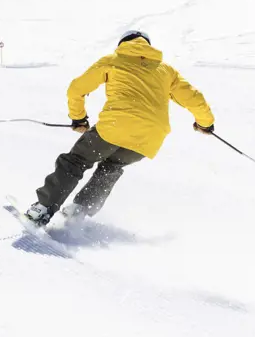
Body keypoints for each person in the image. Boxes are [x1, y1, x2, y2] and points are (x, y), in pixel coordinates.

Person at [24, 30, 214, 225]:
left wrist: (79, 119)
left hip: (114, 128)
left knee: (76, 161)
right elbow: (195, 99)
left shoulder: (113, 60)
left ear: (123, 43)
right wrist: (205, 124)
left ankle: (43, 208)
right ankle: (80, 212)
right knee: (111, 167)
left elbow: (76, 89)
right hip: (148, 139)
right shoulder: (166, 70)